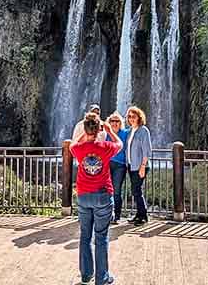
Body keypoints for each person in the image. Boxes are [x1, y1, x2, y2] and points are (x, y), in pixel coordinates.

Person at [70, 112, 122, 285]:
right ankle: (102, 278)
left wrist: (87, 133)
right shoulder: (105, 146)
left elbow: (72, 144)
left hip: (84, 195)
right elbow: (120, 144)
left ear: (85, 129)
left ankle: (86, 275)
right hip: (102, 196)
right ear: (99, 128)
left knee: (85, 236)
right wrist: (109, 130)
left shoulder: (78, 149)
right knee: (101, 237)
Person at [125, 106, 152, 226]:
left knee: (137, 191)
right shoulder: (130, 130)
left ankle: (144, 216)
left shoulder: (143, 130)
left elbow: (147, 150)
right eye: (129, 117)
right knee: (135, 191)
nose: (131, 119)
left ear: (139, 117)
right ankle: (139, 214)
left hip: (141, 166)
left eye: (133, 116)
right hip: (131, 166)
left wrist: (143, 166)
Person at [105, 111, 128, 224]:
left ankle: (117, 215)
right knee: (107, 190)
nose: (114, 123)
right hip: (107, 164)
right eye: (112, 121)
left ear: (121, 123)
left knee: (117, 190)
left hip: (120, 165)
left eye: (117, 121)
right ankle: (108, 214)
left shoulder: (125, 133)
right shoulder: (106, 134)